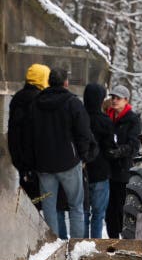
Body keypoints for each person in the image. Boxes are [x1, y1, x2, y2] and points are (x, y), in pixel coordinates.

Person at [28, 67, 96, 238]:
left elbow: (28, 133)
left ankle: (51, 245)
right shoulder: (73, 103)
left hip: (44, 166)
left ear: (49, 81)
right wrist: (83, 156)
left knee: (48, 206)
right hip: (69, 164)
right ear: (66, 82)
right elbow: (84, 132)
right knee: (76, 206)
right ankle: (76, 246)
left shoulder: (36, 103)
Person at [9, 64, 50, 201]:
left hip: (20, 158)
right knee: (40, 200)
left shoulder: (18, 98)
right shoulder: (39, 100)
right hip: (35, 160)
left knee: (29, 198)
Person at [105, 84, 142, 238]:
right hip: (107, 169)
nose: (114, 101)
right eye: (113, 97)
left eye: (118, 98)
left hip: (123, 170)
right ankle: (111, 237)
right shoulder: (107, 116)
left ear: (126, 100)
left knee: (120, 206)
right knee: (109, 208)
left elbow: (134, 145)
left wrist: (119, 151)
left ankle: (122, 236)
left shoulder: (133, 120)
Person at [83, 84, 116, 238]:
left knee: (83, 212)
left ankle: (80, 242)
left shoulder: (79, 117)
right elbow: (110, 147)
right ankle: (95, 243)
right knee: (98, 214)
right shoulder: (105, 121)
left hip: (82, 171)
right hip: (101, 172)